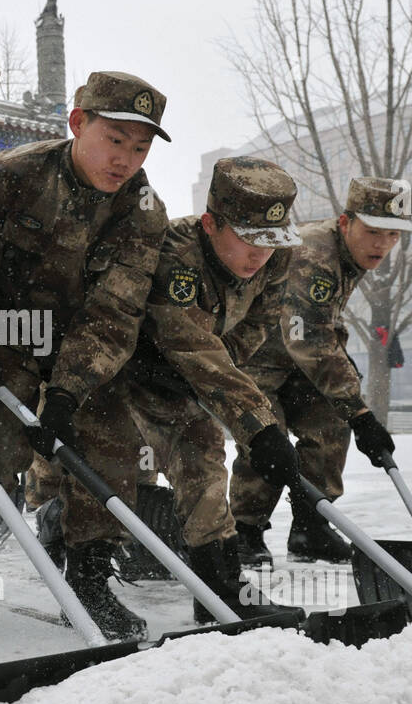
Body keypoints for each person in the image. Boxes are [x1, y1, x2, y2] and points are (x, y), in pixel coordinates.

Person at [0, 71, 170, 641]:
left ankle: (87, 577)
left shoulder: (144, 210)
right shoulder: (13, 177)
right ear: (78, 124)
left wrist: (67, 390)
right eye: (114, 139)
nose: (125, 159)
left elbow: (115, 310)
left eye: (140, 146)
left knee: (110, 437)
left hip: (79, 341)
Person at [106, 157, 306, 622]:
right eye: (250, 239)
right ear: (212, 223)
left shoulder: (276, 260)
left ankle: (220, 591)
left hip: (185, 379)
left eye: (272, 241)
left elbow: (250, 331)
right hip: (118, 373)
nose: (262, 255)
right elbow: (192, 343)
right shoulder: (174, 255)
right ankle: (77, 556)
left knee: (204, 464)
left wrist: (210, 384)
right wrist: (258, 424)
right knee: (110, 479)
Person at [229, 177, 407, 565]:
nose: (381, 244)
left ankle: (311, 526)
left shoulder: (351, 254)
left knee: (329, 422)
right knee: (264, 435)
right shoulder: (314, 253)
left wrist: (348, 411)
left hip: (297, 360)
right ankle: (244, 531)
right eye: (373, 232)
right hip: (254, 354)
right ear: (346, 223)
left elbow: (320, 331)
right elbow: (307, 335)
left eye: (392, 234)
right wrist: (361, 414)